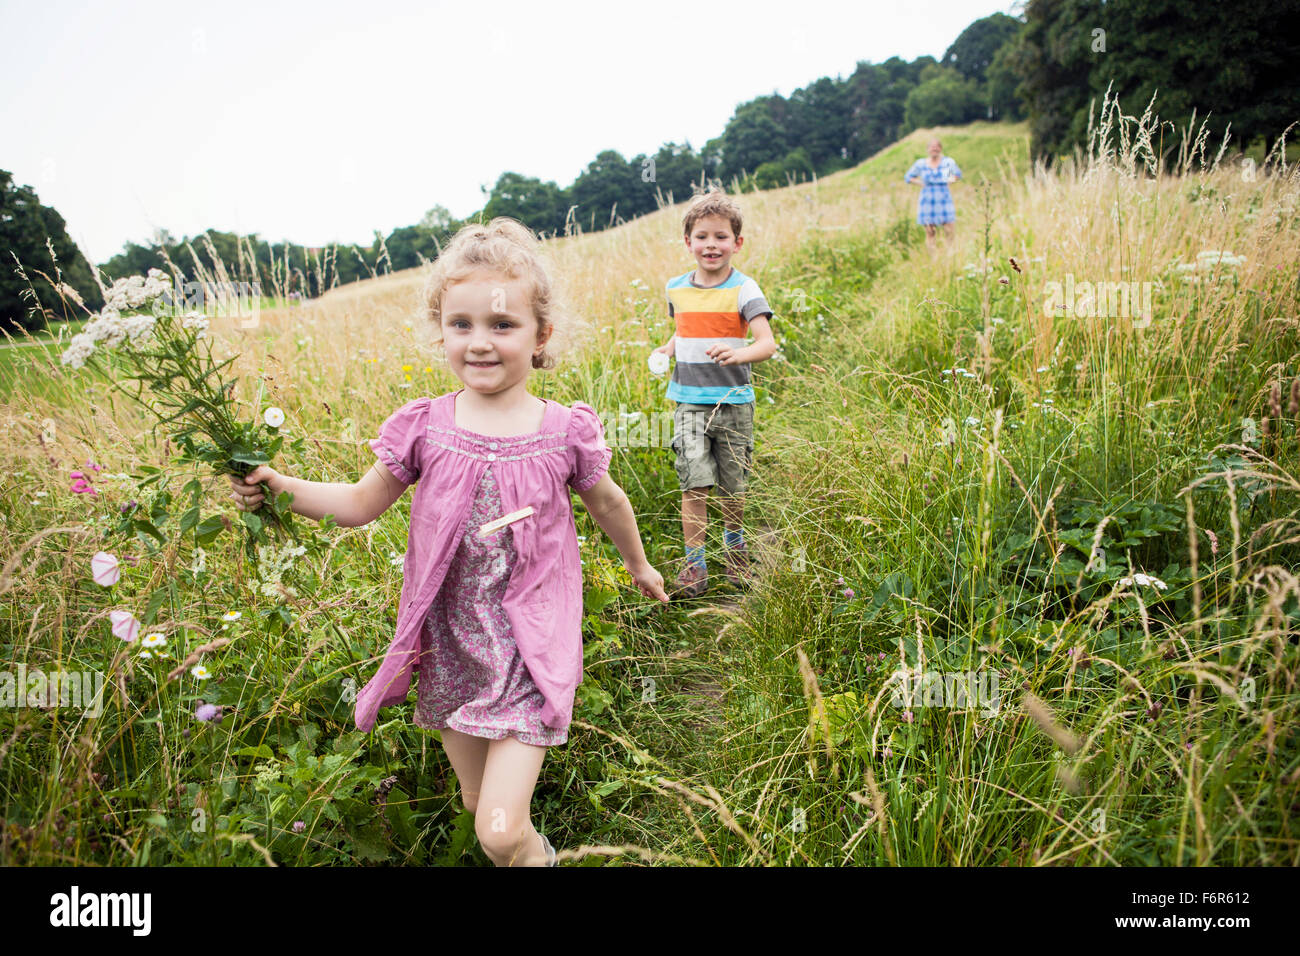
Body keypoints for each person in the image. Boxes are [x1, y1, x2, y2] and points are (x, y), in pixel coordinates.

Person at [228, 218, 670, 867]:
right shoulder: (424, 428)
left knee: (496, 828)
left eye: (502, 325)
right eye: (461, 325)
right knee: (475, 805)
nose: (480, 343)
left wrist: (639, 563)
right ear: (441, 330)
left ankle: (535, 856)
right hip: (450, 646)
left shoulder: (562, 431)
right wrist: (277, 487)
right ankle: (527, 849)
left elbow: (607, 500)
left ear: (541, 334)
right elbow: (357, 503)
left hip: (529, 647)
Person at [651, 190, 777, 600]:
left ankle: (736, 550)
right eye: (701, 236)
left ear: (737, 243)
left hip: (734, 403)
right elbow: (684, 329)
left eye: (721, 237)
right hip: (688, 401)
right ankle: (695, 563)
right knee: (693, 485)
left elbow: (766, 344)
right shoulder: (675, 288)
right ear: (688, 242)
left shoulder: (745, 288)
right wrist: (666, 349)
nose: (711, 245)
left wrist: (737, 353)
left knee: (732, 488)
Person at [904, 138, 963, 254]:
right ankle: (933, 257)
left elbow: (955, 176)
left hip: (943, 198)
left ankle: (949, 254)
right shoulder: (921, 164)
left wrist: (949, 181)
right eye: (932, 147)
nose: (934, 149)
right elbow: (908, 177)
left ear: (940, 149)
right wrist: (920, 183)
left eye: (937, 146)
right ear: (928, 149)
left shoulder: (947, 162)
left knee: (949, 229)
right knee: (930, 231)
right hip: (927, 199)